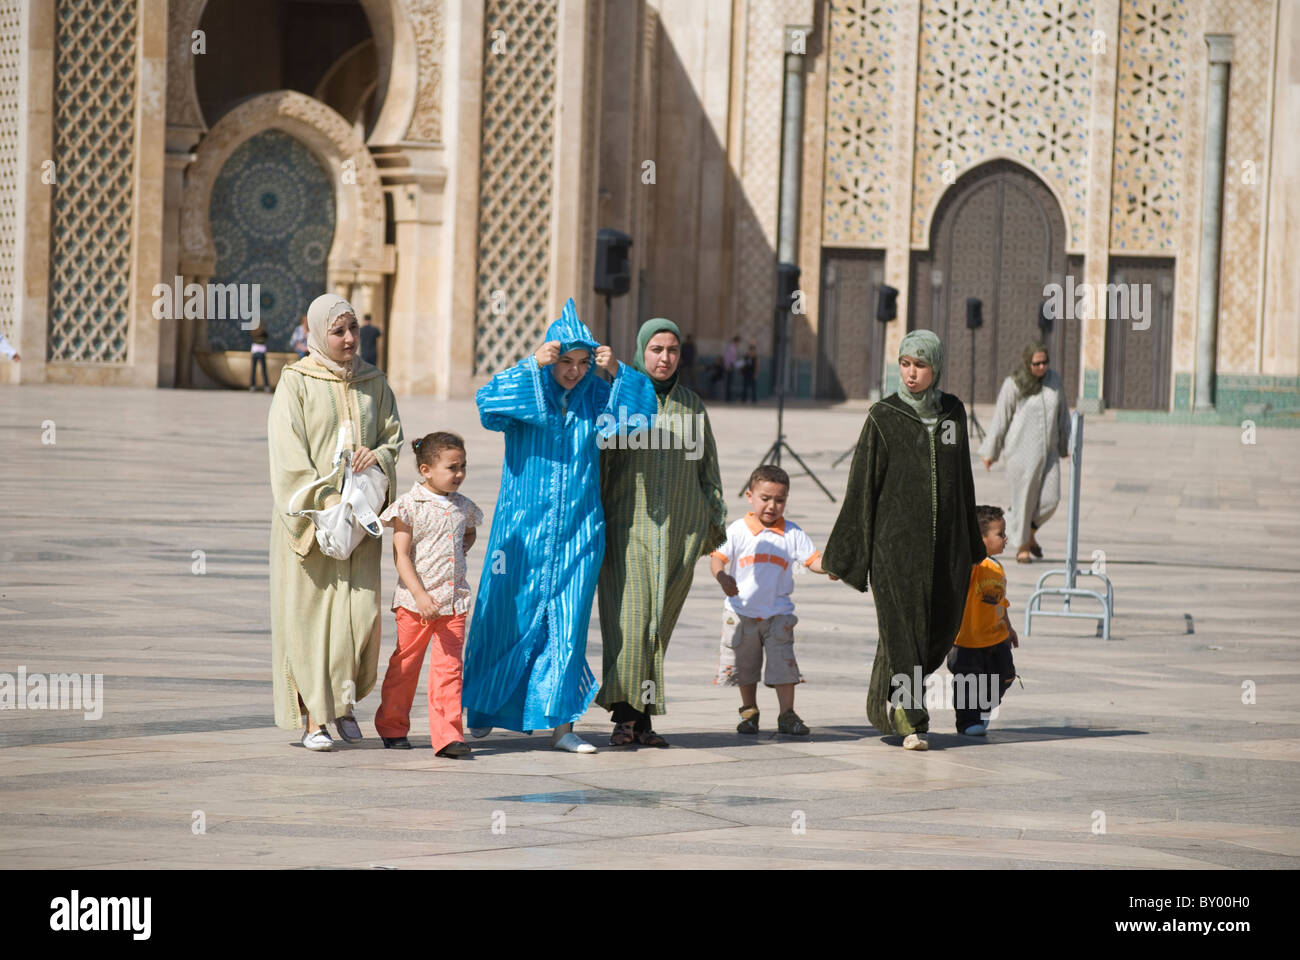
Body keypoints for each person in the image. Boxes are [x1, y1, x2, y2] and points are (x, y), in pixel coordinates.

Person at [463, 298, 656, 753]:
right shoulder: (529, 391)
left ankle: (562, 726)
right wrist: (531, 364)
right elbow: (487, 403)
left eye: (583, 362)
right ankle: (484, 707)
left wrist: (617, 372)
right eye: (566, 361)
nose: (574, 371)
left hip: (579, 531)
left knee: (568, 624)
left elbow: (642, 420)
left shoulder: (596, 398)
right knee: (504, 617)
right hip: (520, 532)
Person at [822, 330, 984, 751]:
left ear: (936, 368)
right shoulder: (884, 416)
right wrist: (844, 554)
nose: (911, 373)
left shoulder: (953, 414)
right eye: (905, 364)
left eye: (921, 365)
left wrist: (973, 543)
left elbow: (963, 479)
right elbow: (862, 486)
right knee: (903, 631)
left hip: (947, 548)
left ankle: (886, 698)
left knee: (938, 631)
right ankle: (912, 718)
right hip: (894, 549)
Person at [268, 293, 403, 751]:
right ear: (315, 333)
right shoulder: (296, 382)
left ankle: (343, 703)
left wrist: (377, 456)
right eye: (338, 331)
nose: (348, 339)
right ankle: (315, 721)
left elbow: (392, 437)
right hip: (312, 523)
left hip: (358, 520)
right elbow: (287, 452)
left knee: (360, 615)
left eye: (353, 329)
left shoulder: (374, 382)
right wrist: (324, 502)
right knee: (312, 621)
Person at [596, 318, 727, 747]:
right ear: (641, 351)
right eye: (656, 349)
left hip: (679, 533)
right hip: (628, 528)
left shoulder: (691, 405)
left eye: (672, 350)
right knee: (630, 623)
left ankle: (643, 721)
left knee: (658, 626)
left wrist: (710, 521)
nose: (664, 358)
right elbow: (601, 463)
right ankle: (624, 718)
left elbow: (707, 467)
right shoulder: (623, 398)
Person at [374, 431, 482, 757]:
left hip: (454, 602)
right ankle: (392, 726)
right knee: (405, 667)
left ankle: (449, 737)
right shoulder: (409, 506)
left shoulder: (464, 506)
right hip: (415, 605)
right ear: (426, 470)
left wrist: (460, 550)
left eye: (463, 466)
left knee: (450, 670)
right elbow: (401, 556)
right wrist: (420, 596)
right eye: (452, 467)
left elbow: (469, 534)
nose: (459, 473)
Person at [711, 464, 835, 736]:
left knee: (784, 664)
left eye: (779, 500)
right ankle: (749, 712)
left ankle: (787, 714)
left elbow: (813, 560)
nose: (772, 506)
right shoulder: (738, 530)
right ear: (749, 496)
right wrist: (722, 577)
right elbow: (717, 558)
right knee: (745, 667)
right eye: (765, 498)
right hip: (741, 613)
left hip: (779, 614)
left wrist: (831, 567)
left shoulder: (792, 533)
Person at [979, 342, 1071, 563]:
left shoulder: (1054, 381)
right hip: (1021, 453)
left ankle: (1029, 533)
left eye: (1045, 362)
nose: (1041, 367)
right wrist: (991, 452)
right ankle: (1022, 547)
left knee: (1051, 499)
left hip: (1049, 452)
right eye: (1036, 363)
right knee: (1024, 501)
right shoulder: (1013, 384)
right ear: (1027, 362)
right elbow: (1001, 418)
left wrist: (1066, 445)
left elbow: (1063, 414)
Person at [947, 505, 1019, 736]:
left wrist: (1009, 628)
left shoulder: (997, 567)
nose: (1005, 538)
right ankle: (967, 722)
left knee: (1006, 674)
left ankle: (984, 706)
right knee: (966, 683)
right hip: (967, 641)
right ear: (981, 538)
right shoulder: (973, 566)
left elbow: (1000, 601)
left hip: (996, 637)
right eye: (1000, 534)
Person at [249, 323, 269, 392]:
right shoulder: (263, 332)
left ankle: (252, 386)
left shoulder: (253, 332)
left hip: (255, 351)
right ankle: (266, 386)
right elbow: (266, 337)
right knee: (263, 370)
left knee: (253, 370)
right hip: (261, 351)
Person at [723, 335, 740, 402]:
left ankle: (728, 397)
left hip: (731, 366)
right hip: (730, 366)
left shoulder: (732, 347)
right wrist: (728, 366)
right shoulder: (731, 348)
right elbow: (728, 358)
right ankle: (728, 397)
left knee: (729, 382)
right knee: (729, 382)